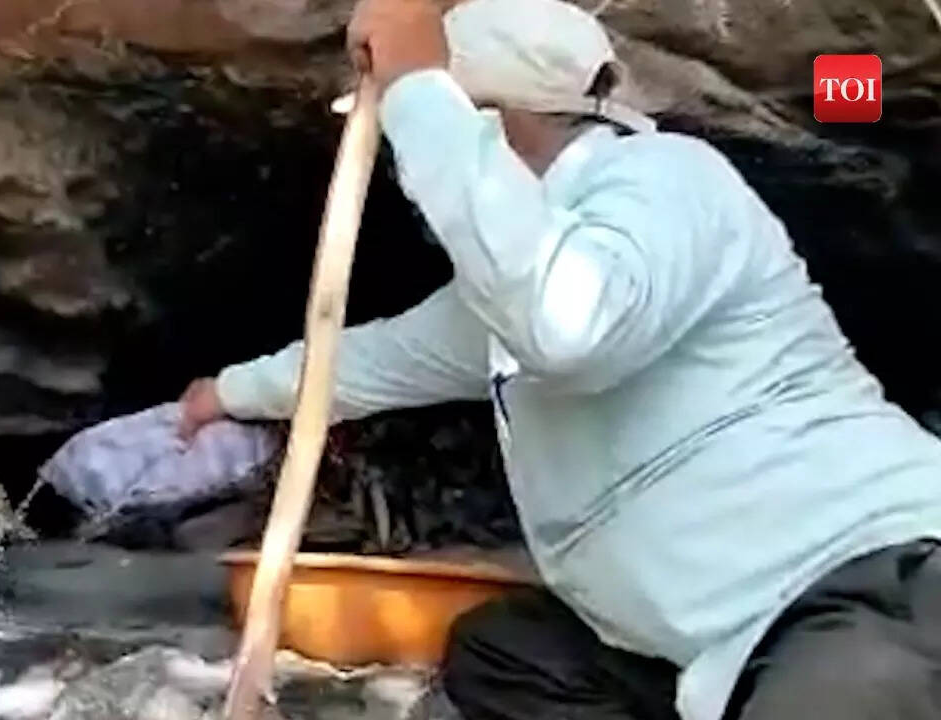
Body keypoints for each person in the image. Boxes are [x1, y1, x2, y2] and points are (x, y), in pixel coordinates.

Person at [178, 0, 941, 717]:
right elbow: (379, 360)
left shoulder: (666, 179)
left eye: (426, 136)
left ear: (495, 126)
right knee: (505, 654)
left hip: (867, 584)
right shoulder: (515, 280)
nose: (408, 177)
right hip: (712, 640)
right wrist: (226, 394)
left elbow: (569, 327)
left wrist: (415, 89)